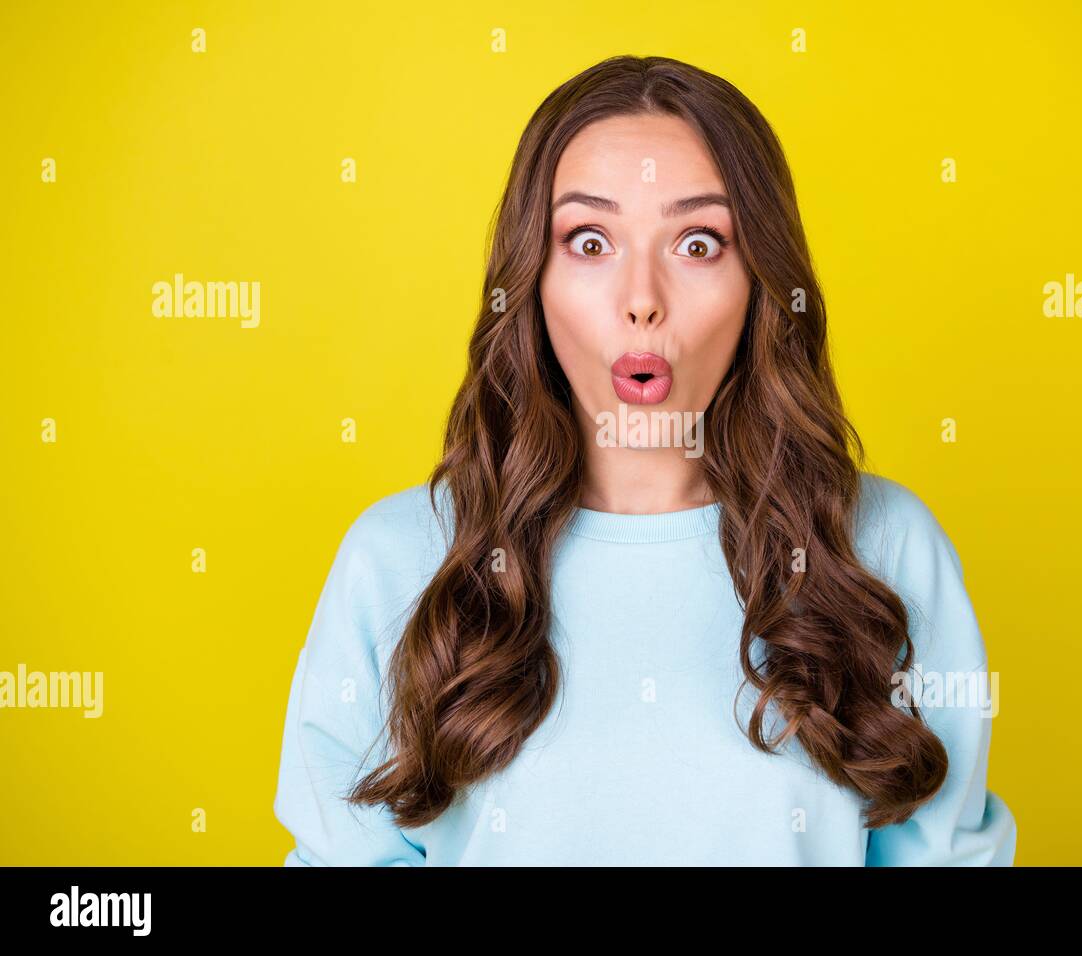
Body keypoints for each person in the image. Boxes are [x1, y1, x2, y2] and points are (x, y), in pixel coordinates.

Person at [273, 54, 1016, 866]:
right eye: (590, 240)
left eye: (697, 243)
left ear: (761, 282)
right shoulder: (397, 560)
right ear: (531, 277)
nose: (642, 297)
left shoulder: (883, 547)